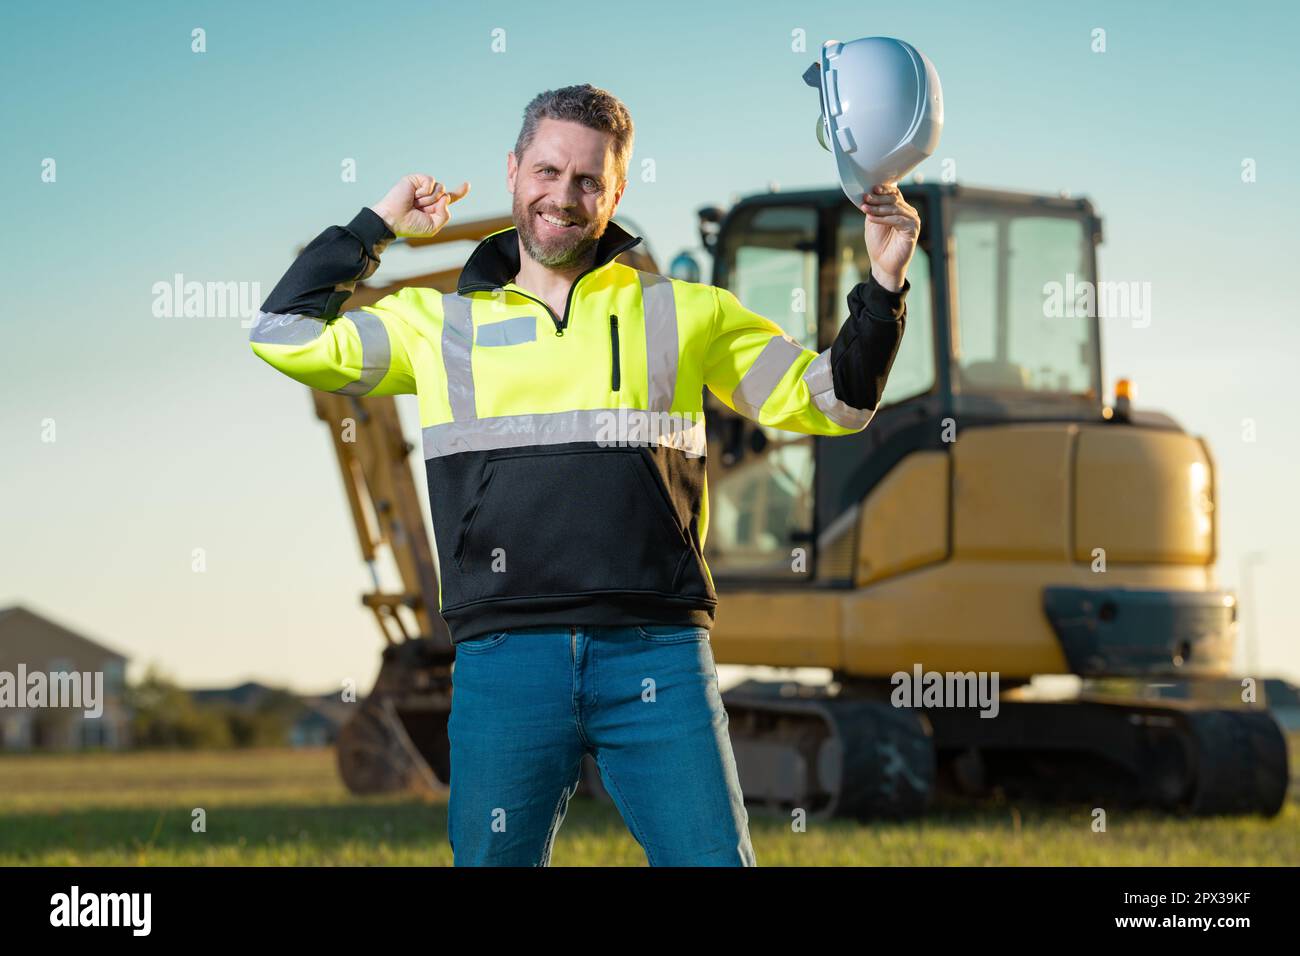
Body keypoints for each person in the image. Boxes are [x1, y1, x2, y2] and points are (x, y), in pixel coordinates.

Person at [249, 83, 919, 866]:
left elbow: (837, 400)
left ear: (616, 190)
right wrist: (378, 227)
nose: (562, 197)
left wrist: (885, 285)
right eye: (546, 171)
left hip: (657, 658)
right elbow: (280, 333)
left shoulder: (684, 311)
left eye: (587, 180)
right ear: (512, 171)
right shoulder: (437, 325)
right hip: (505, 663)